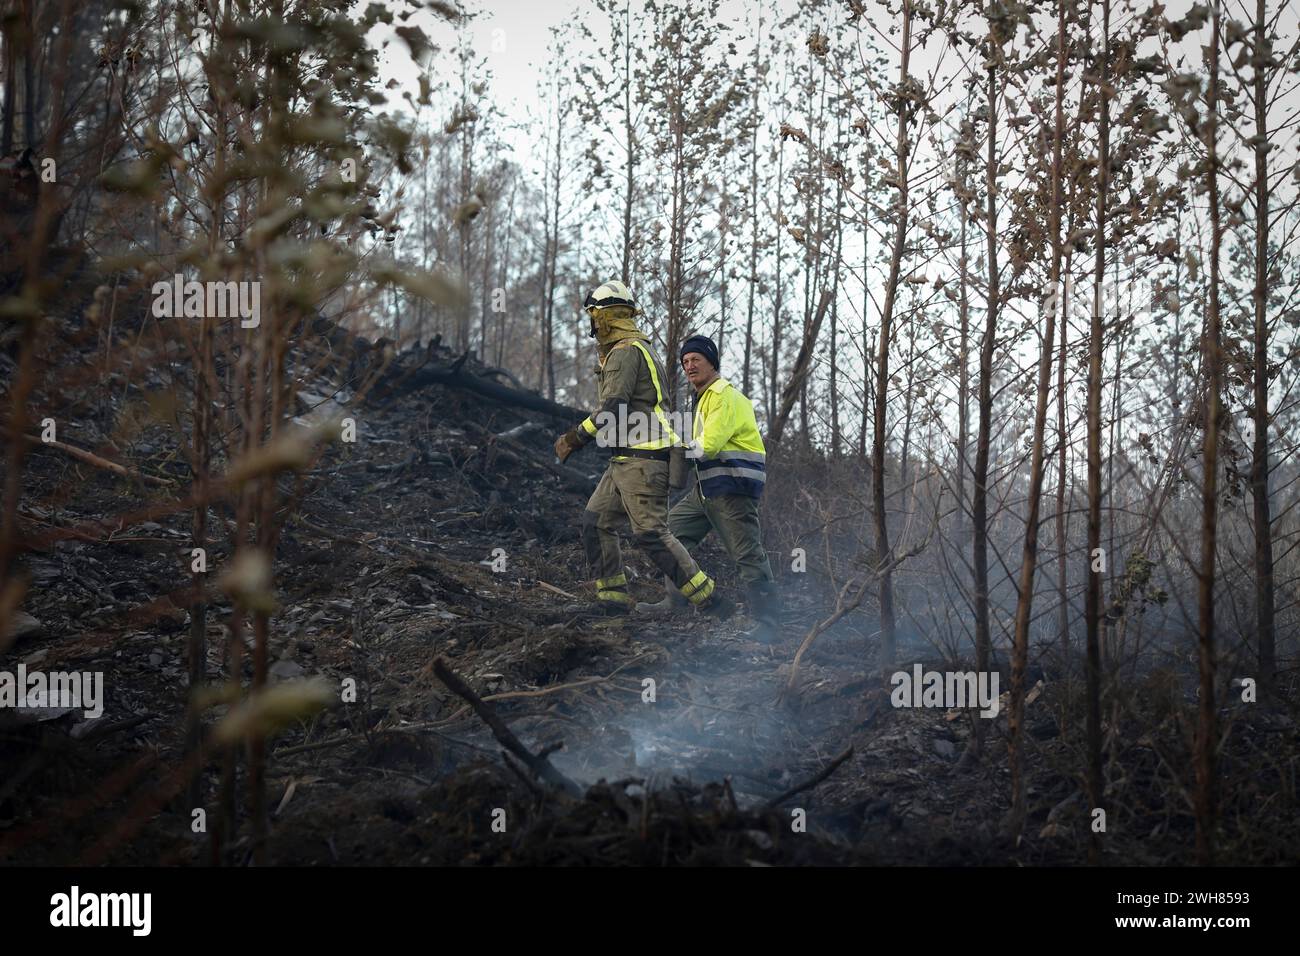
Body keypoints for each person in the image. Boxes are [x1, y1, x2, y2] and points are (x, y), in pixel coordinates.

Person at [554, 282, 734, 620]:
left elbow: (612, 408)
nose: (592, 325)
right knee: (596, 520)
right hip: (627, 458)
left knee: (650, 534)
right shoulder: (636, 348)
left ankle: (711, 602)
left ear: (606, 316)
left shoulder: (625, 351)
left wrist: (575, 438)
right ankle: (613, 600)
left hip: (644, 459)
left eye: (594, 316)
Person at [636, 333, 781, 641]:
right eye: (685, 361)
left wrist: (673, 448)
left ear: (711, 362)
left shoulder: (724, 396)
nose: (689, 366)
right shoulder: (705, 398)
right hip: (707, 489)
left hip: (731, 488)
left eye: (696, 360)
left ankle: (769, 624)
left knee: (747, 554)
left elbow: (709, 445)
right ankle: (675, 602)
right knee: (669, 533)